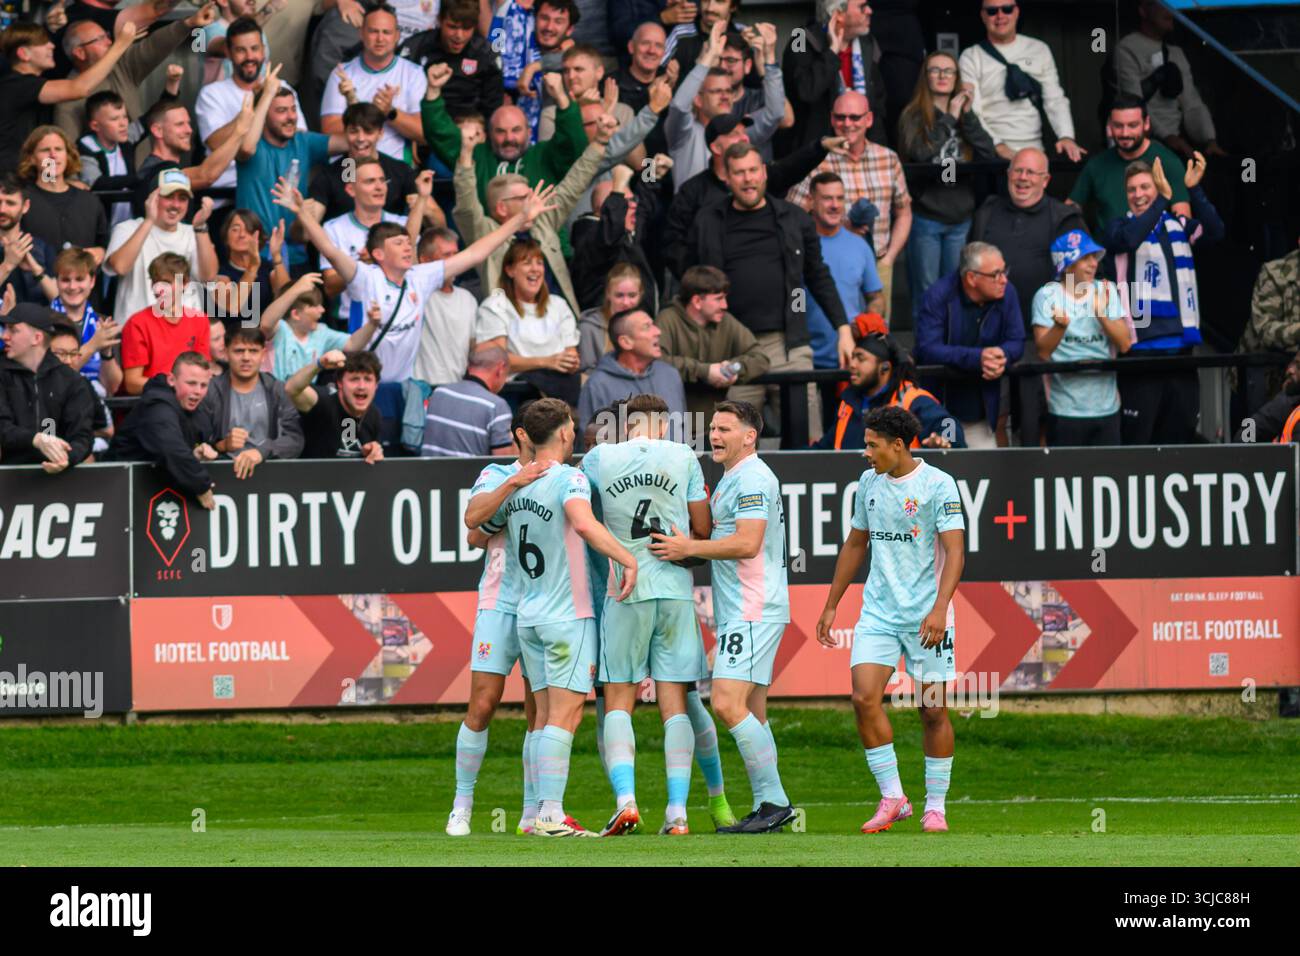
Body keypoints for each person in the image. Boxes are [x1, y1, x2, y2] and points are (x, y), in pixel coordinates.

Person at [479, 397, 638, 837]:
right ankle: (550, 813)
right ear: (566, 434)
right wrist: (627, 557)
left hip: (528, 615)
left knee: (544, 717)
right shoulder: (570, 479)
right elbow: (584, 524)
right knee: (564, 718)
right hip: (568, 615)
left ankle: (532, 815)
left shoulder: (517, 483)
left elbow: (477, 527)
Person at [815, 405, 966, 834]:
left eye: (871, 445)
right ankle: (893, 797)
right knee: (864, 698)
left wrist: (939, 608)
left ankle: (935, 807)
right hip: (878, 613)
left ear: (897, 445)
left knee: (932, 710)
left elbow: (955, 551)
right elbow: (855, 543)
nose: (865, 453)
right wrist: (831, 603)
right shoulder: (868, 483)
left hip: (926, 617)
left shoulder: (938, 484)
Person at [647, 399, 796, 834]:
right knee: (753, 710)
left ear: (750, 436)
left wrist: (688, 548)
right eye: (712, 428)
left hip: (753, 607)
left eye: (725, 429)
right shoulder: (734, 476)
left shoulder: (752, 477)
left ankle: (775, 802)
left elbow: (748, 543)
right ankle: (769, 804)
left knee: (728, 703)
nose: (714, 435)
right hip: (748, 608)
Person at [578, 392, 711, 836]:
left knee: (619, 698)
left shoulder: (599, 458)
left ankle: (627, 800)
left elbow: (578, 512)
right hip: (673, 588)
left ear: (624, 424)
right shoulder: (683, 455)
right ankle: (677, 813)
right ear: (664, 424)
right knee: (674, 705)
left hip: (623, 587)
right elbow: (702, 530)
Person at [280, 175, 553, 385]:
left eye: (408, 243)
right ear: (377, 253)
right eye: (399, 243)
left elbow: (475, 252)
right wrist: (301, 212)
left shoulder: (421, 277)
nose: (408, 247)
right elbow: (329, 248)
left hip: (406, 384)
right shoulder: (364, 276)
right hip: (363, 381)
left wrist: (520, 219)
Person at [685, 142, 854, 439]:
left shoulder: (795, 218)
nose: (748, 178)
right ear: (727, 177)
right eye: (739, 172)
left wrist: (843, 328)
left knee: (806, 439)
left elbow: (818, 275)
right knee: (729, 442)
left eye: (753, 170)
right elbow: (694, 281)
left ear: (764, 173)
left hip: (788, 342)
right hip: (733, 345)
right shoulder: (707, 219)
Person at [446, 404, 549, 836]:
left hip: (545, 604)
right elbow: (472, 527)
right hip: (498, 603)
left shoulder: (563, 478)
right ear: (522, 435)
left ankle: (530, 812)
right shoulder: (494, 473)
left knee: (537, 711)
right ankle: (462, 805)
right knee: (483, 705)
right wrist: (514, 484)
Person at [1102, 154, 1224, 445]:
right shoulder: (1117, 227)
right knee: (1139, 440)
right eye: (1132, 189)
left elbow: (1216, 232)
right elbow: (1131, 240)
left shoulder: (1177, 225)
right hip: (1139, 353)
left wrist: (1194, 190)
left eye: (1146, 187)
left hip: (1180, 352)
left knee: (1179, 436)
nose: (1138, 194)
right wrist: (1161, 202)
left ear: (1156, 188)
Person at [452, 115, 611, 314]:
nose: (533, 201)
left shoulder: (542, 222)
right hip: (511, 329)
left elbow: (574, 183)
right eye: (523, 198)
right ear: (502, 208)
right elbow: (466, 205)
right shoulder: (485, 233)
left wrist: (600, 141)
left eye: (531, 194)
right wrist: (466, 153)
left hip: (559, 324)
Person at [663, 113, 837, 281]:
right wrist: (699, 279)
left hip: (764, 285)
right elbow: (672, 242)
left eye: (744, 133)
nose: (745, 138)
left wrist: (820, 147)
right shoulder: (692, 191)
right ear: (716, 147)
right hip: (713, 292)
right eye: (735, 134)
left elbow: (791, 167)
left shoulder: (761, 178)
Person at [786, 91, 912, 318]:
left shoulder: (888, 158)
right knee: (836, 332)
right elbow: (792, 215)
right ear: (832, 119)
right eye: (840, 117)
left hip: (879, 260)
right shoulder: (816, 160)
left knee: (876, 337)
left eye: (854, 117)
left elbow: (904, 212)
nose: (847, 124)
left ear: (869, 120)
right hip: (831, 263)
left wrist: (890, 257)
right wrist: (835, 227)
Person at [897, 50, 998, 306]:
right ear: (926, 77)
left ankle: (950, 346)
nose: (942, 76)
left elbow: (988, 153)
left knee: (956, 292)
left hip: (960, 217)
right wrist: (949, 118)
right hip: (926, 217)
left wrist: (967, 114)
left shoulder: (964, 115)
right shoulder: (913, 114)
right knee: (928, 292)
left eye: (948, 71)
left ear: (957, 77)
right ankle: (926, 346)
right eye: (935, 70)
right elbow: (920, 154)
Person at [423, 58, 587, 213]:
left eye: (516, 130)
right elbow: (441, 134)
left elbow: (573, 142)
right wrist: (433, 90)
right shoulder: (476, 157)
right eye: (500, 131)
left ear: (529, 132)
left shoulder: (545, 156)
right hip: (489, 238)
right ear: (489, 134)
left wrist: (561, 97)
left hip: (540, 240)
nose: (509, 138)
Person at [53, 5, 220, 147]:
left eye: (107, 36)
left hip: (141, 177)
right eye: (100, 39)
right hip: (101, 184)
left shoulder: (121, 67)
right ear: (79, 52)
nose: (109, 42)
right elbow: (68, 150)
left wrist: (188, 24)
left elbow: (153, 46)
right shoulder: (67, 97)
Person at [913, 241, 1026, 448]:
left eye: (1004, 271)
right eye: (996, 274)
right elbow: (927, 349)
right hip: (944, 411)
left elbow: (1017, 341)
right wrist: (978, 358)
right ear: (972, 278)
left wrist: (1002, 355)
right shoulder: (937, 296)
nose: (1004, 280)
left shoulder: (1007, 292)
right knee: (948, 466)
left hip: (981, 413)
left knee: (985, 471)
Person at [236, 71, 350, 271]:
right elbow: (245, 148)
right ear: (263, 114)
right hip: (254, 256)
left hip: (297, 255)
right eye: (281, 110)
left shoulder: (304, 141)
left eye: (293, 109)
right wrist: (266, 95)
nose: (290, 117)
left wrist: (351, 98)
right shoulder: (253, 144)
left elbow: (352, 140)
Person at [1031, 230, 1131, 446]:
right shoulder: (1047, 295)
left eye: (1094, 257)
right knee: (1064, 476)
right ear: (1066, 265)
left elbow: (1125, 344)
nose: (1093, 263)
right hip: (1064, 409)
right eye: (1085, 258)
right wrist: (1059, 327)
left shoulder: (1106, 289)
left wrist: (1101, 314)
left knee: (1108, 475)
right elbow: (1043, 352)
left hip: (1107, 407)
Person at [0, 18, 136, 171]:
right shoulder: (15, 86)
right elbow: (79, 89)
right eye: (43, 43)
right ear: (23, 53)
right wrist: (120, 45)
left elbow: (45, 145)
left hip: (32, 178)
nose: (51, 46)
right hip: (9, 183)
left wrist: (53, 182)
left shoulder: (36, 85)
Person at [195, 17, 309, 197]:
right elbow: (215, 143)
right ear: (228, 52)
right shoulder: (211, 93)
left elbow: (299, 138)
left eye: (255, 49)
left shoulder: (282, 88)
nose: (249, 57)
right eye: (241, 50)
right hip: (228, 193)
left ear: (264, 51)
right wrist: (258, 103)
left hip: (276, 189)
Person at [958, 0, 1084, 162]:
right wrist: (997, 146)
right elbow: (972, 111)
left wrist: (1066, 136)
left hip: (1033, 150)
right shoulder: (971, 56)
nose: (1000, 16)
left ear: (1016, 12)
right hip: (990, 153)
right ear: (983, 16)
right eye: (992, 11)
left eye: (1007, 9)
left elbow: (1054, 99)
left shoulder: (1039, 49)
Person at [319, 158, 435, 330]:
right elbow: (329, 287)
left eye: (382, 180)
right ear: (351, 189)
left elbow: (413, 267)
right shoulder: (333, 229)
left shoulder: (404, 224)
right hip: (353, 323)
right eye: (370, 181)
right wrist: (362, 265)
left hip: (399, 321)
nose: (379, 187)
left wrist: (423, 198)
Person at [666, 20, 783, 186]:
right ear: (698, 99)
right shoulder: (683, 132)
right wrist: (709, 56)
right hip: (694, 210)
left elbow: (775, 113)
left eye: (728, 91)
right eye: (716, 91)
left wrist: (769, 59)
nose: (725, 96)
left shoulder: (740, 134)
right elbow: (679, 106)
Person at [816, 325, 964, 450]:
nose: (852, 364)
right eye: (853, 357)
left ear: (885, 367)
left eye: (860, 358)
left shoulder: (911, 400)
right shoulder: (847, 404)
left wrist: (945, 439)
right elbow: (823, 450)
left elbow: (949, 424)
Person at [102, 350, 217, 509]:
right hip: (116, 488)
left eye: (203, 385)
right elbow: (170, 448)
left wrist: (195, 450)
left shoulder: (197, 407)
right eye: (191, 383)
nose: (198, 391)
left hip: (150, 490)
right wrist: (202, 485)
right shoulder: (157, 405)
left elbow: (182, 445)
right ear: (171, 380)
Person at [474, 238, 582, 405]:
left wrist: (571, 362)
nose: (535, 269)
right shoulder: (495, 306)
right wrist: (548, 361)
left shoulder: (558, 304)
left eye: (539, 263)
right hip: (515, 397)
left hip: (559, 394)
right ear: (509, 270)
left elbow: (570, 354)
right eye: (527, 263)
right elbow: (497, 361)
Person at [655, 264, 769, 422]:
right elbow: (657, 362)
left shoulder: (726, 321)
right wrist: (705, 371)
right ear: (697, 301)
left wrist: (732, 369)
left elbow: (761, 358)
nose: (725, 305)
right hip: (672, 422)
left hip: (711, 424)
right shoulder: (667, 319)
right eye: (718, 299)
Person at [1116, 0, 1224, 161]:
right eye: (1163, 3)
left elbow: (1192, 104)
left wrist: (1209, 139)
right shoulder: (1127, 49)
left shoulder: (1176, 53)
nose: (1170, 9)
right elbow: (1133, 106)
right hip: (1142, 145)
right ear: (1144, 11)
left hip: (1176, 146)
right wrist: (1167, 137)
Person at [105, 172, 217, 326]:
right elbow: (120, 267)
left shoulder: (194, 232)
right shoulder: (127, 228)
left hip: (183, 332)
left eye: (182, 199)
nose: (176, 205)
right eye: (169, 196)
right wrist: (149, 220)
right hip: (137, 333)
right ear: (153, 198)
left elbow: (208, 277)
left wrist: (200, 227)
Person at [777, 0, 888, 155]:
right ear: (838, 14)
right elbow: (805, 92)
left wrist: (876, 151)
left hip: (858, 150)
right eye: (862, 7)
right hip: (814, 152)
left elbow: (876, 106)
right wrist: (832, 52)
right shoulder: (799, 36)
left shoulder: (867, 42)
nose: (869, 11)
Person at [320, 4, 428, 162]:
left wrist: (390, 113)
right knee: (346, 183)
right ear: (361, 33)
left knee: (391, 183)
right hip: (349, 162)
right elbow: (328, 131)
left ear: (397, 36)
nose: (380, 38)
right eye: (373, 31)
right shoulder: (342, 73)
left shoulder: (414, 73)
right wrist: (373, 113)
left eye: (386, 32)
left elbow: (424, 134)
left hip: (394, 164)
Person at [1068, 96, 1191, 235]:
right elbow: (1070, 208)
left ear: (1146, 123)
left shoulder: (1167, 161)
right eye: (1118, 126)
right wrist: (1082, 246)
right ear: (1109, 125)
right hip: (1107, 252)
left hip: (1155, 251)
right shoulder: (1097, 164)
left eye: (1132, 125)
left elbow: (1182, 218)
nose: (1125, 133)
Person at [804, 172, 885, 374]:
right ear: (811, 202)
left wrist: (865, 323)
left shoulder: (859, 246)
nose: (835, 205)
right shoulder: (798, 245)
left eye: (840, 198)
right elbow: (792, 296)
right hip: (806, 359)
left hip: (850, 361)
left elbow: (875, 296)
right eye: (827, 198)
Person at [200, 326, 304, 479]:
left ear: (263, 354)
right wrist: (222, 445)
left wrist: (262, 451)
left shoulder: (277, 389)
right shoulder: (210, 390)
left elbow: (294, 441)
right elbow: (195, 441)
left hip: (269, 475)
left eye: (253, 351)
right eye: (239, 351)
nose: (246, 357)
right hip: (221, 475)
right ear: (226, 353)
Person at [0, 302, 94, 472]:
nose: (4, 336)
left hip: (59, 479)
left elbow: (83, 436)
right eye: (5, 329)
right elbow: (3, 427)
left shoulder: (71, 380)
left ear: (37, 338)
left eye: (13, 330)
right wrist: (35, 439)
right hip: (7, 476)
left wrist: (66, 459)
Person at [133, 97, 255, 215]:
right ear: (157, 130)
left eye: (188, 123)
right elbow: (205, 175)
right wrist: (240, 131)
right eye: (180, 124)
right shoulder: (156, 169)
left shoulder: (167, 167)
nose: (189, 130)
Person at [577, 308, 687, 440]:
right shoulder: (597, 385)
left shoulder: (670, 375)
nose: (658, 332)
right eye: (647, 327)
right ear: (626, 342)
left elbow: (683, 432)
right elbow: (589, 443)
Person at [254, 272, 381, 380]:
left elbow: (353, 344)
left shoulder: (321, 332)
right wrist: (296, 289)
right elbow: (265, 324)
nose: (322, 310)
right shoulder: (281, 329)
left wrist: (372, 324)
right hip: (276, 396)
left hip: (304, 400)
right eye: (316, 306)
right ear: (296, 314)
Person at [121, 251, 214, 395]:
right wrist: (175, 385)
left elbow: (203, 373)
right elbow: (132, 383)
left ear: (185, 284)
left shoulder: (200, 321)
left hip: (191, 401)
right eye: (155, 282)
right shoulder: (137, 323)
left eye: (167, 282)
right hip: (154, 402)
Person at [308, 103, 418, 222]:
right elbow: (305, 233)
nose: (361, 138)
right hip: (342, 239)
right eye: (354, 131)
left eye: (368, 131)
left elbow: (435, 219)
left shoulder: (401, 171)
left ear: (380, 133)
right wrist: (305, 216)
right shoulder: (328, 176)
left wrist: (422, 203)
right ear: (345, 132)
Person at [400, 0, 505, 122]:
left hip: (470, 132)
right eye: (452, 27)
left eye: (466, 28)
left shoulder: (486, 54)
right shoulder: (415, 48)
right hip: (422, 127)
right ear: (439, 20)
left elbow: (492, 111)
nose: (459, 35)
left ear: (475, 26)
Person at [16, 126, 107, 265]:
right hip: (34, 283)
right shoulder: (20, 201)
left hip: (79, 285)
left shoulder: (90, 201)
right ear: (32, 158)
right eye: (45, 150)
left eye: (58, 149)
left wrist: (101, 251)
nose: (53, 155)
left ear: (68, 155)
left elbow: (104, 242)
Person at [285, 348, 384, 462]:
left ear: (376, 385)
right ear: (340, 383)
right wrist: (319, 364)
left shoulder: (374, 414)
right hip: (312, 478)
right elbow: (291, 389)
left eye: (368, 379)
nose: (361, 386)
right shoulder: (323, 402)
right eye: (354, 379)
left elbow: (368, 461)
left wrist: (373, 451)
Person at [412, 227, 480, 388]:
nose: (455, 261)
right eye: (447, 256)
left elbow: (473, 347)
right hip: (420, 388)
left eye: (456, 254)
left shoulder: (467, 299)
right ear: (425, 261)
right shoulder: (416, 293)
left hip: (458, 388)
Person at [49, 246, 121, 396]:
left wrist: (106, 353)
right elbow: (56, 376)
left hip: (95, 408)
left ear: (92, 281)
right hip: (55, 408)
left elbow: (112, 388)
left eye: (80, 279)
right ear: (56, 281)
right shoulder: (43, 321)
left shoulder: (102, 322)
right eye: (65, 280)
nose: (73, 286)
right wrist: (94, 344)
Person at [421, 343, 514, 457]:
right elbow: (504, 462)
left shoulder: (439, 393)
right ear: (500, 368)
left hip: (428, 473)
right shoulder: (496, 406)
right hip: (470, 475)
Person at [213, 208, 289, 336]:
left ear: (258, 237)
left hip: (265, 339)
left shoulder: (268, 267)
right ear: (226, 237)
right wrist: (252, 267)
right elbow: (233, 307)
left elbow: (287, 298)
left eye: (248, 230)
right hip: (233, 341)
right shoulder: (219, 273)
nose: (242, 234)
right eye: (235, 229)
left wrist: (276, 256)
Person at [48, 323, 113, 455]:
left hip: (71, 453)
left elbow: (107, 430)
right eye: (60, 353)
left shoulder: (83, 384)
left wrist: (72, 435)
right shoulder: (28, 383)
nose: (67, 361)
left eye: (73, 354)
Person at [75, 91, 134, 230]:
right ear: (95, 126)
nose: (123, 124)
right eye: (114, 119)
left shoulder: (124, 139)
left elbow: (148, 121)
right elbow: (96, 183)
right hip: (101, 229)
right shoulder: (84, 146)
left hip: (129, 227)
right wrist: (136, 180)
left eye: (125, 117)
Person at [0, 176, 59, 306]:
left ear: (25, 206)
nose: (2, 209)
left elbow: (60, 302)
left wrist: (36, 271)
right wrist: (7, 265)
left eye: (10, 203)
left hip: (35, 324)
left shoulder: (42, 247)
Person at [578, 262, 644, 374]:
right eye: (619, 295)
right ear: (608, 293)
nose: (626, 302)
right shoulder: (588, 328)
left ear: (641, 294)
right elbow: (585, 374)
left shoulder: (645, 325)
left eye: (632, 295)